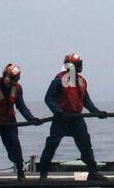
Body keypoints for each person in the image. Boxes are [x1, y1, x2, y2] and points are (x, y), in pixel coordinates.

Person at [38, 52, 108, 181]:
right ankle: (43, 174)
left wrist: (97, 112)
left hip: (76, 119)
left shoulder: (82, 81)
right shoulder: (59, 80)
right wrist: (58, 112)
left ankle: (92, 172)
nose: (80, 66)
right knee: (51, 145)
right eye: (77, 64)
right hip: (62, 119)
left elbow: (86, 100)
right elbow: (49, 99)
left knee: (86, 145)